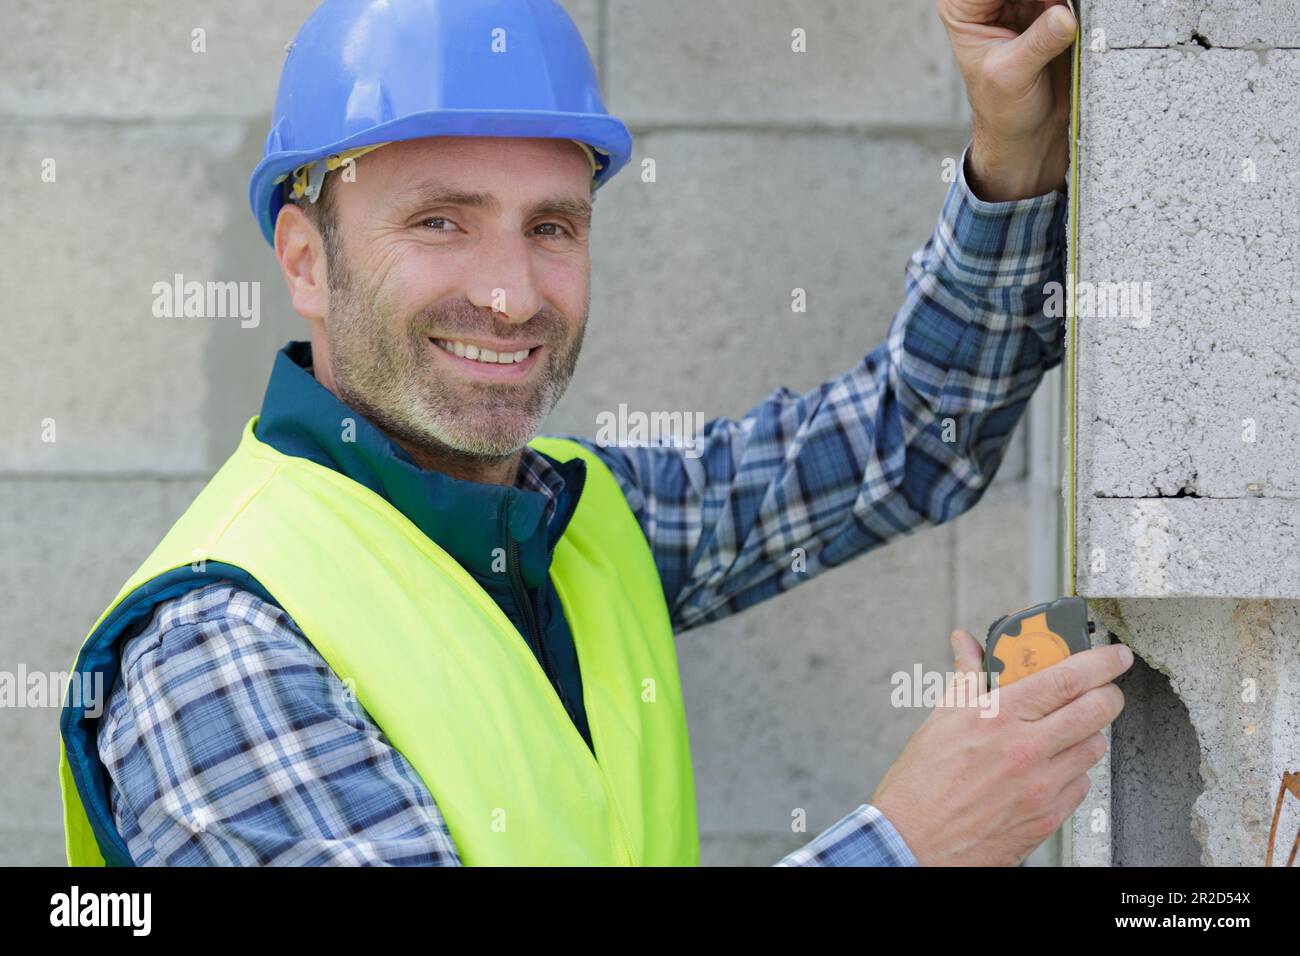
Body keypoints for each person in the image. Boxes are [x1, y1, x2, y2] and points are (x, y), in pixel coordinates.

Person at [59, 0, 1132, 867]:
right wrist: (908, 846)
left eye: (551, 228)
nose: (511, 295)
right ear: (304, 259)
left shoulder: (571, 515)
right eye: (440, 220)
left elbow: (908, 442)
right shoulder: (223, 641)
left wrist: (1014, 147)